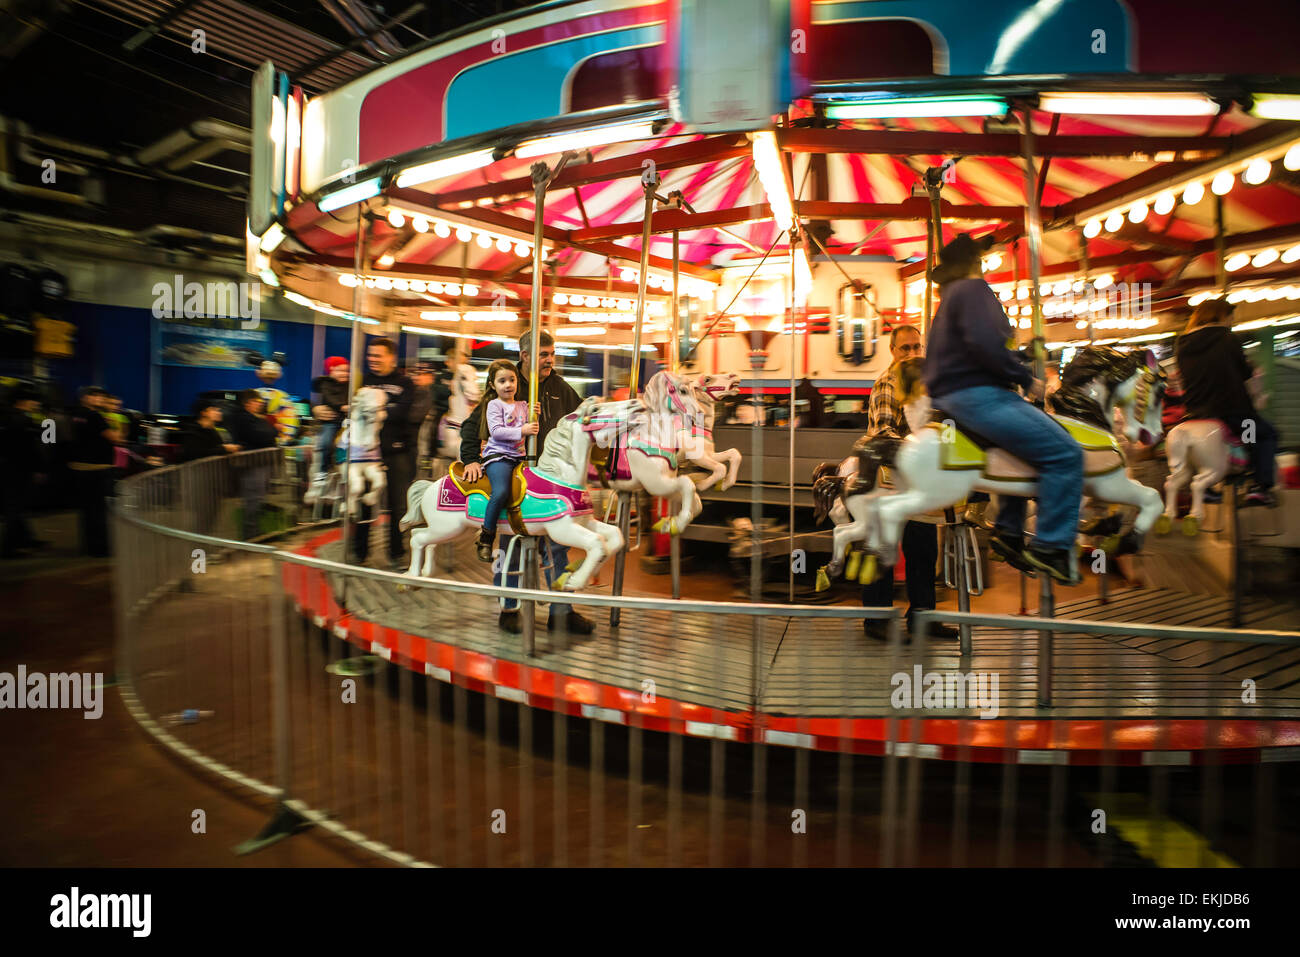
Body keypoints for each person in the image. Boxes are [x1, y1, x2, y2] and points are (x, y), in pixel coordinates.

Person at [923, 233, 1083, 585]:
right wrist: (1024, 376)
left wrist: (1021, 357)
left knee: (1021, 454)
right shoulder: (974, 290)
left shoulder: (949, 299)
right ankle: (1053, 546)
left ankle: (1009, 530)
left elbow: (980, 346)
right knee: (1066, 454)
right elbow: (986, 345)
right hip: (979, 395)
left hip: (952, 398)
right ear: (975, 262)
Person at [461, 330, 592, 634]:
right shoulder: (507, 386)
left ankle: (561, 610)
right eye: (544, 354)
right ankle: (509, 607)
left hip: (552, 478)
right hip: (519, 473)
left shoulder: (561, 388)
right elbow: (472, 426)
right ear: (525, 356)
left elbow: (582, 421)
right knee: (513, 543)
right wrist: (470, 458)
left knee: (559, 544)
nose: (550, 360)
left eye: (552, 353)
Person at [861, 326, 958, 641]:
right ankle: (877, 620)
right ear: (893, 351)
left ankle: (923, 618)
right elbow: (883, 432)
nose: (913, 354)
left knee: (924, 550)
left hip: (915, 480)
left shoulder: (923, 386)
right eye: (906, 348)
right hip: (886, 477)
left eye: (917, 347)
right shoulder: (888, 385)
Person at [1175, 299, 1279, 507]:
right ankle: (1258, 486)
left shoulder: (1182, 343)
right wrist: (1257, 395)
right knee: (1263, 435)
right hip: (1234, 413)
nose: (1231, 322)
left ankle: (1206, 486)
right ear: (1221, 316)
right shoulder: (1227, 338)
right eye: (1230, 318)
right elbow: (1245, 375)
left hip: (1195, 413)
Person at [349, 337, 420, 568]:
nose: (373, 360)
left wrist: (375, 410)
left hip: (397, 451)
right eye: (370, 355)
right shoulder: (365, 381)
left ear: (391, 357)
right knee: (364, 500)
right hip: (368, 452)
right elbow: (355, 409)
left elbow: (404, 412)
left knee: (397, 504)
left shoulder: (405, 383)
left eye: (378, 355)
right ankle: (359, 552)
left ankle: (397, 552)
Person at [472, 360, 537, 560]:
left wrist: (535, 417)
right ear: (493, 385)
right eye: (502, 381)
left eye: (512, 379)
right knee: (500, 492)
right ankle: (486, 538)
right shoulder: (494, 404)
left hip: (519, 459)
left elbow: (532, 430)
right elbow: (497, 432)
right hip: (498, 456)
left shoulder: (523, 405)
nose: (508, 385)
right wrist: (522, 430)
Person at [66, 386, 122, 557]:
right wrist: (114, 420)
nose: (99, 400)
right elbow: (115, 438)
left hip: (79, 467)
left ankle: (88, 546)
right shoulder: (95, 416)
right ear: (85, 398)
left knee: (87, 510)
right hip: (97, 469)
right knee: (99, 510)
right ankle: (100, 548)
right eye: (95, 396)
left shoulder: (75, 415)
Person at [224, 389, 278, 539]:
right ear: (249, 403)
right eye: (258, 402)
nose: (260, 405)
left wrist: (269, 430)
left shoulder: (253, 418)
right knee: (253, 498)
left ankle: (253, 532)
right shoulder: (243, 418)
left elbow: (268, 433)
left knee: (258, 498)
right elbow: (265, 434)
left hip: (259, 462)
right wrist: (270, 430)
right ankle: (249, 535)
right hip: (252, 463)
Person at [1, 386, 47, 558]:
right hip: (19, 470)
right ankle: (8, 549)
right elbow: (30, 449)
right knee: (15, 508)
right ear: (23, 401)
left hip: (9, 468)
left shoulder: (8, 417)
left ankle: (26, 539)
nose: (36, 403)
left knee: (17, 507)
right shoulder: (20, 420)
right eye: (33, 400)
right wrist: (40, 469)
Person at [310, 356, 350, 479]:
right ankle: (323, 469)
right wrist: (342, 407)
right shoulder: (326, 384)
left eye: (347, 371)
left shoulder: (349, 385)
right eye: (340, 371)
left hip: (346, 420)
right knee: (326, 442)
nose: (345, 374)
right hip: (332, 420)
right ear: (331, 370)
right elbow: (329, 398)